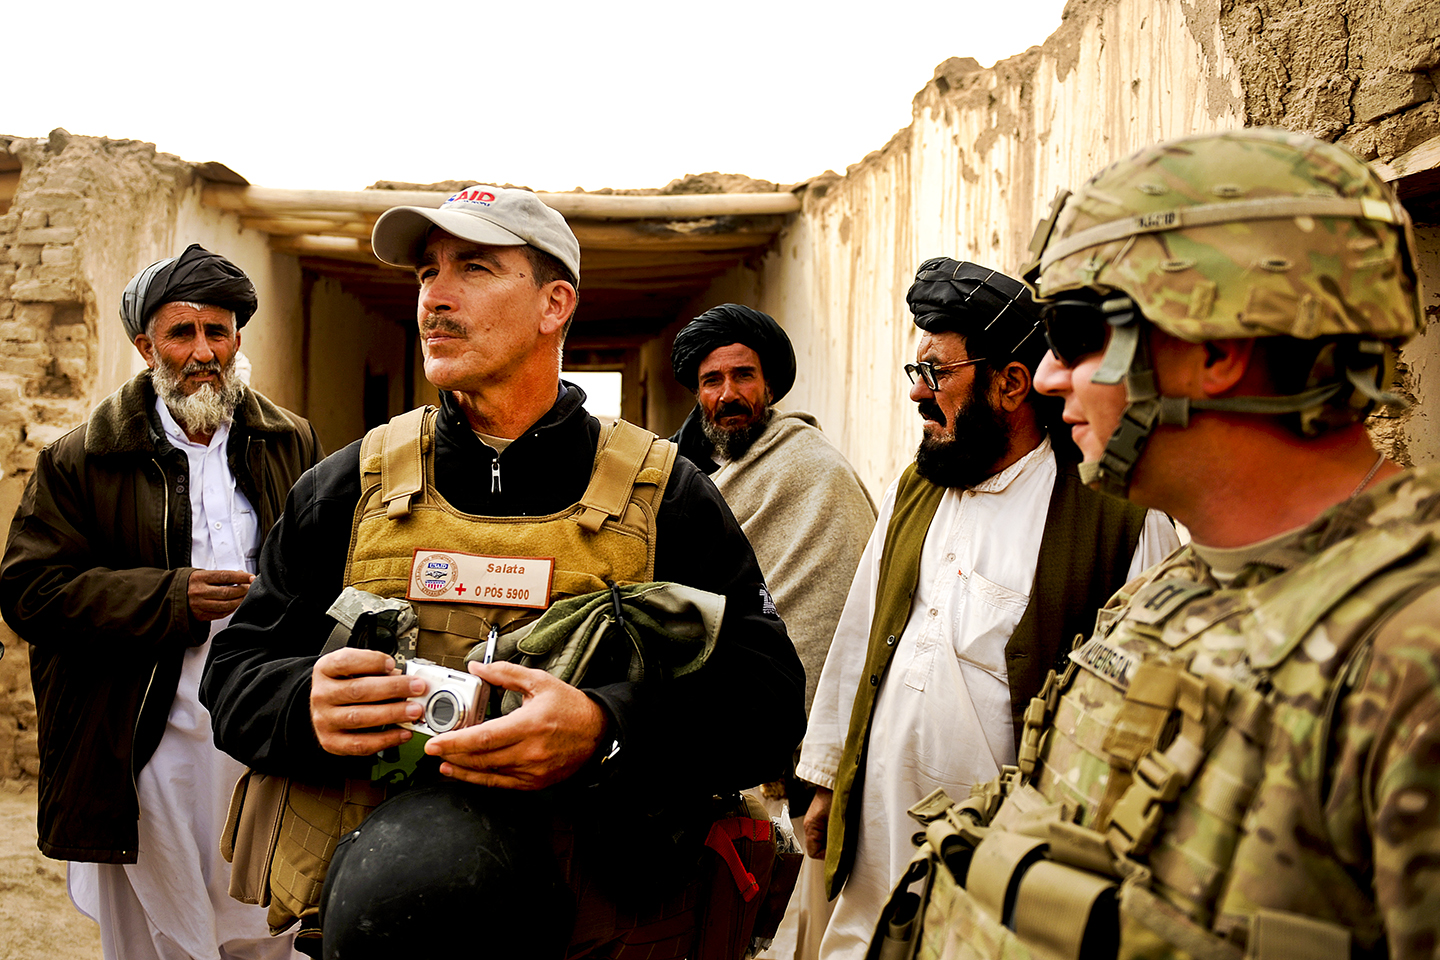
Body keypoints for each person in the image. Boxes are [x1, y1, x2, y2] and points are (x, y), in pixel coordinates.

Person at [198, 185, 807, 958]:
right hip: (383, 929)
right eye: (426, 273)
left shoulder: (665, 497)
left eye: (474, 269)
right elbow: (234, 674)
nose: (435, 299)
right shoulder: (348, 486)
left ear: (555, 304)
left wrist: (606, 728)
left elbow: (770, 702)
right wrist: (304, 704)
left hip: (595, 928)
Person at [894, 126, 1439, 960]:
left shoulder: (1413, 653)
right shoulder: (1173, 590)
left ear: (1215, 349)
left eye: (1077, 336)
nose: (1044, 378)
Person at [797, 257, 1180, 960]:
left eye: (937, 373)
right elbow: (860, 634)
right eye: (916, 372)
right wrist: (824, 778)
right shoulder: (914, 487)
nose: (918, 394)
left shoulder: (1118, 519)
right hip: (876, 842)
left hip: (1007, 875)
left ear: (1010, 384)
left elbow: (1148, 711)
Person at [0, 244, 321, 960]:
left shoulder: (287, 441)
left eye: (220, 331)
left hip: (258, 728)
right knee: (159, 929)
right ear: (145, 345)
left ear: (239, 338)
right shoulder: (83, 458)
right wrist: (169, 596)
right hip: (144, 734)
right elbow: (30, 590)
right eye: (182, 333)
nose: (203, 352)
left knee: (267, 922)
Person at [670, 304, 877, 960]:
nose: (728, 394)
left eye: (743, 376)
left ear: (770, 386)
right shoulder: (685, 475)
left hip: (804, 749)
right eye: (712, 380)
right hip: (709, 732)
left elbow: (844, 599)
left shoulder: (817, 470)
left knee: (805, 911)